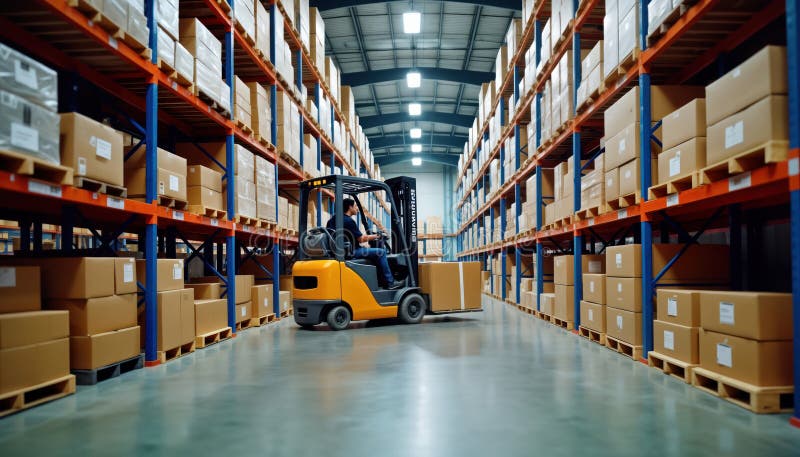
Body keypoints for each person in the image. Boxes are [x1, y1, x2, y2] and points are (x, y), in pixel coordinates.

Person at [327, 198, 404, 290]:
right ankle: (390, 283)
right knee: (381, 252)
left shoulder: (332, 220)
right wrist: (377, 236)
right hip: (352, 252)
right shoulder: (349, 221)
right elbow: (361, 239)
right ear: (350, 207)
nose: (357, 208)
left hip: (340, 251)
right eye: (355, 206)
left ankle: (380, 281)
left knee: (371, 252)